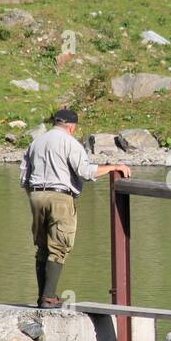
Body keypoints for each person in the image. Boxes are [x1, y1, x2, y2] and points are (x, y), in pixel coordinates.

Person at [21, 109, 130, 308]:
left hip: (36, 195)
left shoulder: (36, 142)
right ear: (72, 126)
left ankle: (42, 296)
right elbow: (86, 172)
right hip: (60, 197)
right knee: (59, 245)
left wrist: (34, 194)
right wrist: (113, 167)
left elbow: (24, 175)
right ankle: (48, 298)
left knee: (42, 246)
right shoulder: (70, 142)